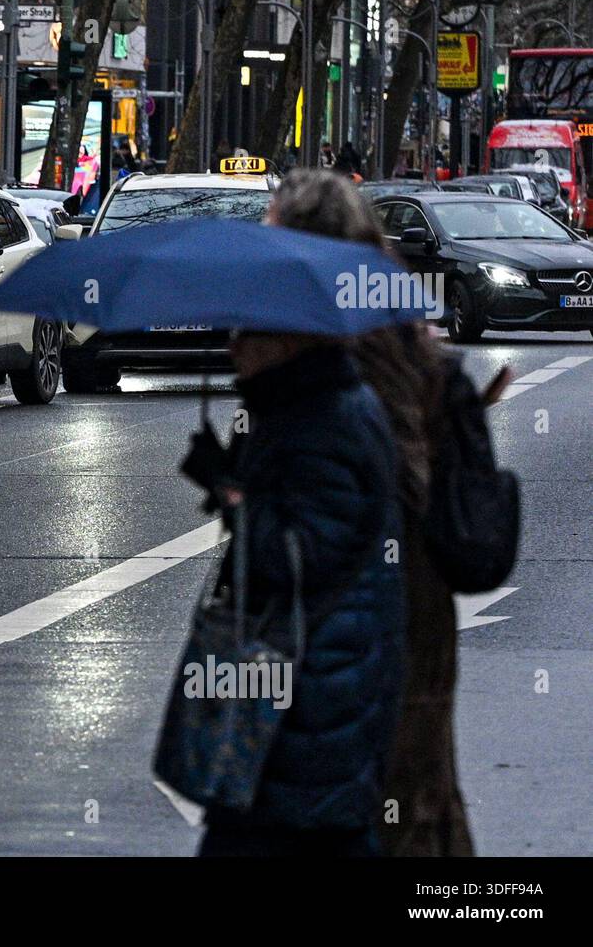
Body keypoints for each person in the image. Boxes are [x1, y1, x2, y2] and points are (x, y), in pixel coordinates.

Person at [181, 175, 406, 857]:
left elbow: (295, 558)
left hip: (304, 723)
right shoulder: (301, 409)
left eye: (247, 332)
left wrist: (231, 493)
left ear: (287, 339)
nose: (231, 345)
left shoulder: (324, 421)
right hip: (301, 720)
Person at [267, 167, 477, 856]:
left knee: (356, 786)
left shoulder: (320, 368)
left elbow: (311, 523)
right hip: (420, 610)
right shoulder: (418, 351)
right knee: (418, 785)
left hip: (349, 611)